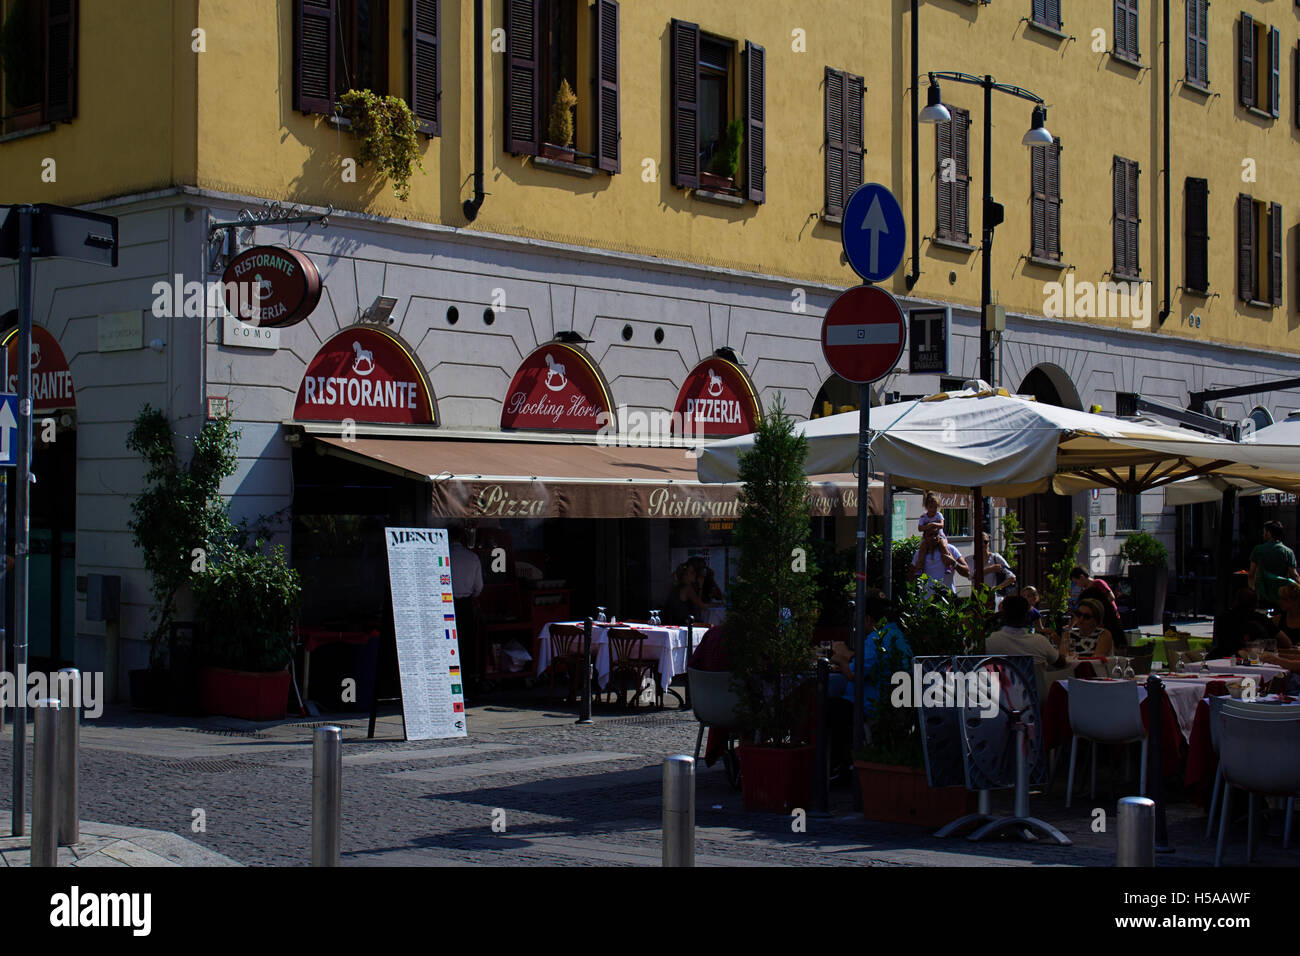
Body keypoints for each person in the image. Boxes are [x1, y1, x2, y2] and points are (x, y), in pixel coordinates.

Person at [826, 590, 909, 782]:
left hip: (873, 706)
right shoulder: (897, 635)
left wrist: (839, 659)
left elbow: (855, 674)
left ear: (868, 619)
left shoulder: (876, 640)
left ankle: (837, 765)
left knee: (829, 709)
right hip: (895, 704)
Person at [985, 594, 1073, 700]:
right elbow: (1061, 663)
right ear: (1027, 615)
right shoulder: (1040, 641)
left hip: (1002, 703)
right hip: (1036, 703)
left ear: (1002, 613)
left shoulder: (989, 642)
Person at [448, 526, 485, 692]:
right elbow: (479, 586)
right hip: (466, 604)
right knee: (467, 644)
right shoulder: (472, 557)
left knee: (449, 645)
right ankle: (468, 682)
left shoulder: (443, 556)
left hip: (447, 603)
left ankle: (450, 682)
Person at [1210, 587, 1276, 660]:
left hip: (1223, 657)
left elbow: (1220, 643)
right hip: (1255, 657)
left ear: (1236, 600)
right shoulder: (1261, 619)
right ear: (1256, 604)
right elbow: (1284, 640)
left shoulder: (1223, 618)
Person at [1249, 520, 1300, 611]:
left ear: (1269, 533)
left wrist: (1253, 590)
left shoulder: (1258, 550)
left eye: (1264, 532)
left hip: (1263, 594)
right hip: (1280, 596)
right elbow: (1294, 575)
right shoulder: (1288, 552)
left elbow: (1251, 574)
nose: (1263, 534)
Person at [912, 523, 970, 596]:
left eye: (936, 534)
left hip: (947, 598)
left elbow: (967, 572)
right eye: (930, 535)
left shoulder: (951, 549)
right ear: (925, 537)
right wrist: (917, 567)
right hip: (927, 601)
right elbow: (911, 579)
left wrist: (954, 563)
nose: (934, 537)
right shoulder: (919, 554)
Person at [1045, 597, 1113, 659]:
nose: (1081, 619)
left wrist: (1074, 658)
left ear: (1096, 620)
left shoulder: (1103, 634)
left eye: (1086, 617)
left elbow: (1097, 661)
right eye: (1079, 614)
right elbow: (1063, 660)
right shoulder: (1068, 634)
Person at [918, 492, 955, 566]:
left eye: (935, 507)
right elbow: (920, 528)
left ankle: (948, 564)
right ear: (926, 507)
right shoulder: (923, 517)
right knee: (922, 548)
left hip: (939, 535)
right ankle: (920, 566)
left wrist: (933, 524)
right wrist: (927, 527)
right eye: (931, 507)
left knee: (944, 546)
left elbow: (942, 525)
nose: (933, 509)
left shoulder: (938, 515)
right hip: (927, 536)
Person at [1268, 583, 1300, 650]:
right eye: (1280, 598)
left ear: (1296, 600)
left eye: (1284, 599)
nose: (1280, 601)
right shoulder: (1277, 620)